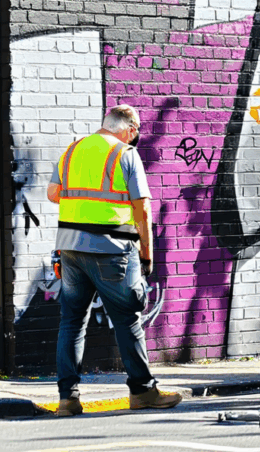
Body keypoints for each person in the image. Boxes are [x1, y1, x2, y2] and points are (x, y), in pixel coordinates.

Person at [47, 105, 182, 417]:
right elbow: (143, 211)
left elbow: (54, 193)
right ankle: (143, 392)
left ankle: (68, 398)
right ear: (131, 129)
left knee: (71, 321)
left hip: (70, 248)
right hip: (111, 250)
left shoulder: (73, 149)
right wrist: (147, 255)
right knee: (127, 319)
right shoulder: (126, 154)